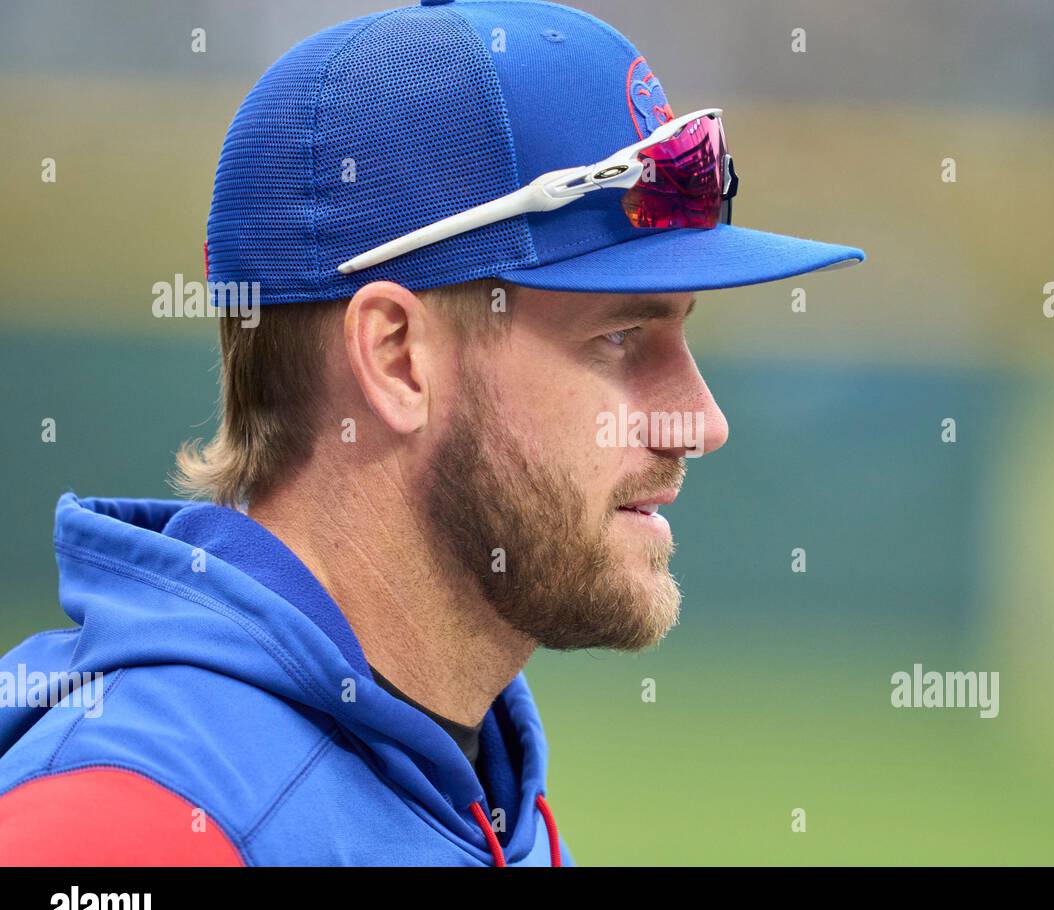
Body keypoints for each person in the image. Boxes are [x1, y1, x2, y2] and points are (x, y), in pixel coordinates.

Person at [0, 0, 862, 865]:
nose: (703, 421)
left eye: (685, 330)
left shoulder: (478, 787)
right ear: (399, 358)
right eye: (620, 338)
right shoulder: (123, 828)